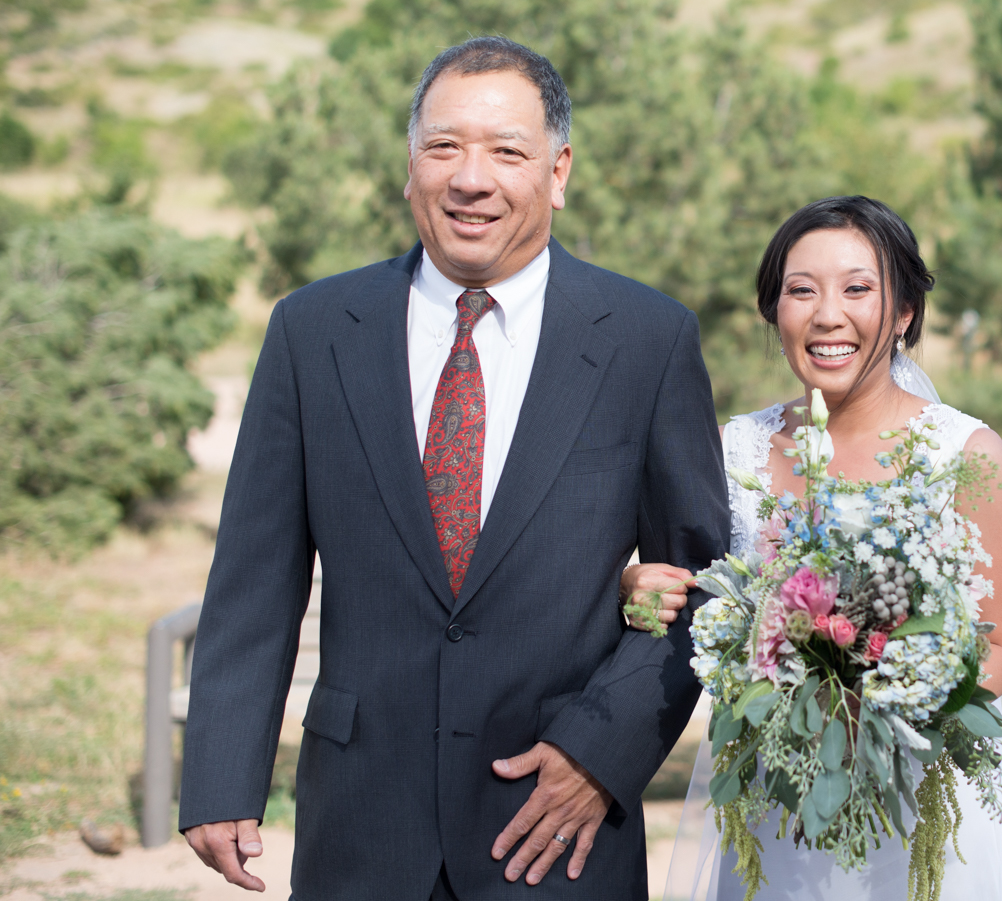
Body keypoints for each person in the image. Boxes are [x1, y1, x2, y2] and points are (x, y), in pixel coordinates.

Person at [178, 37, 730, 901]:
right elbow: (253, 578)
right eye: (444, 147)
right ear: (410, 168)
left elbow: (702, 583)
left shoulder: (645, 339)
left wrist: (603, 753)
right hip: (361, 828)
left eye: (507, 151)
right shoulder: (313, 330)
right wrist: (218, 776)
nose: (471, 178)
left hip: (556, 830)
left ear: (557, 170)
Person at [623, 195, 1002, 899]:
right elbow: (694, 597)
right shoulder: (735, 451)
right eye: (800, 291)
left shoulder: (965, 456)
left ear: (905, 311)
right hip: (776, 802)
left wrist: (864, 704)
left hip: (919, 801)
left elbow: (996, 657)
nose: (827, 315)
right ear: (772, 310)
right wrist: (630, 590)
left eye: (858, 288)